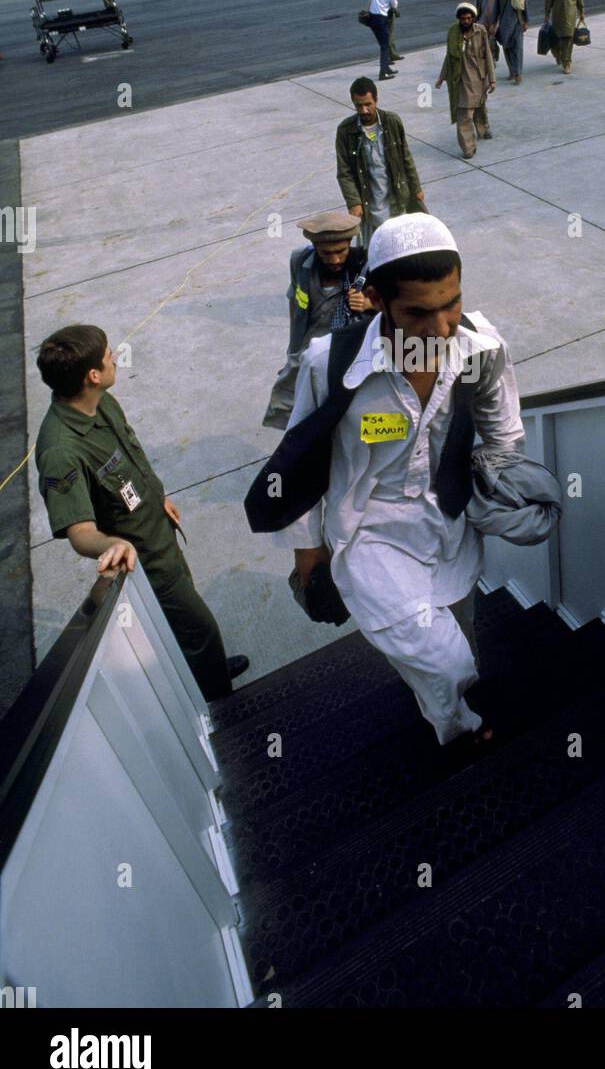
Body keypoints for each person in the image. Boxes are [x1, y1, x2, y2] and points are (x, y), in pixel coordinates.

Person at [278, 213, 524, 746]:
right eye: (419, 311)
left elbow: (503, 433)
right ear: (377, 299)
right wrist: (306, 547)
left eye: (451, 303)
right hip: (369, 531)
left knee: (460, 641)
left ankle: (453, 715)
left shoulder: (479, 349)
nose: (441, 328)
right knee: (442, 654)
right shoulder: (329, 364)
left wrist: (500, 490)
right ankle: (459, 730)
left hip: (450, 524)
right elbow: (298, 459)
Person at [34, 325, 248, 700]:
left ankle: (206, 668)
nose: (115, 355)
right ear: (93, 375)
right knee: (201, 630)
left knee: (189, 628)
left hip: (161, 534)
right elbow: (79, 531)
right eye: (107, 354)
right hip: (147, 563)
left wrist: (157, 496)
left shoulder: (100, 401)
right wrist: (114, 543)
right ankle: (219, 703)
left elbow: (129, 459)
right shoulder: (60, 450)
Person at [262, 211, 370, 431]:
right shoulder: (300, 262)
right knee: (292, 409)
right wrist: (294, 347)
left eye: (341, 251)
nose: (335, 260)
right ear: (314, 247)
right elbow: (295, 301)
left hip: (346, 352)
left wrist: (369, 304)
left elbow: (397, 306)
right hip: (307, 350)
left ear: (350, 243)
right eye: (326, 253)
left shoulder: (366, 267)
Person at [336, 76, 426, 245]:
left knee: (402, 247)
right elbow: (344, 172)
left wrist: (416, 188)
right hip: (370, 206)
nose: (363, 110)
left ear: (376, 100)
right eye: (358, 105)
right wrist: (353, 202)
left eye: (368, 104)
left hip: (397, 202)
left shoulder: (392, 122)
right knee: (374, 252)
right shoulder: (345, 131)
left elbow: (406, 157)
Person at [435, 2, 496, 160]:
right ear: (459, 19)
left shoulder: (480, 31)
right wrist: (441, 77)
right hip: (460, 81)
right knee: (464, 115)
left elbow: (488, 56)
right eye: (463, 19)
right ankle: (468, 148)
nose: (466, 21)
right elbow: (449, 57)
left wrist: (492, 79)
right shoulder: (453, 32)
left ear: (473, 19)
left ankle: (483, 129)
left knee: (479, 106)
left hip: (478, 78)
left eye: (469, 18)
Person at [544, 0, 586, 74]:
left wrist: (581, 11)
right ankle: (557, 53)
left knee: (568, 36)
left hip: (570, 11)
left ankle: (567, 61)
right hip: (557, 12)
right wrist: (547, 14)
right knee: (558, 36)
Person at [490, 0, 529, 83]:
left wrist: (526, 21)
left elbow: (525, 6)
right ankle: (512, 71)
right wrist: (493, 23)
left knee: (518, 49)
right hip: (504, 24)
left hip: (517, 23)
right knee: (507, 48)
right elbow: (496, 8)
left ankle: (518, 73)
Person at [367, 0, 400, 80]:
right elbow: (394, 7)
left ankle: (386, 68)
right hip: (381, 20)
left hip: (372, 18)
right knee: (384, 46)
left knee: (383, 45)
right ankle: (383, 73)